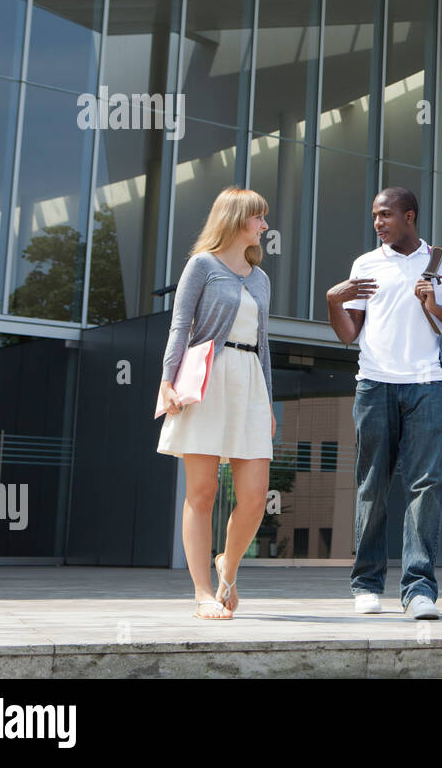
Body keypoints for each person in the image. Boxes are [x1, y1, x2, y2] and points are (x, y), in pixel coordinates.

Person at [325, 187, 442, 621]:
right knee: (372, 486)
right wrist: (335, 302)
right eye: (375, 215)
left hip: (427, 386)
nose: (378, 223)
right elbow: (348, 333)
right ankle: (367, 584)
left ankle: (418, 590)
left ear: (410, 216)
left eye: (386, 215)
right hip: (374, 385)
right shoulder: (365, 264)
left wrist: (435, 305)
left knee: (426, 487)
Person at [157, 187, 275, 620]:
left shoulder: (260, 277)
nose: (264, 226)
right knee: (202, 493)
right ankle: (203, 591)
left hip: (249, 383)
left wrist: (269, 401)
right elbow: (179, 326)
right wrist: (167, 381)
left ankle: (228, 562)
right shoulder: (202, 265)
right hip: (207, 376)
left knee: (256, 496)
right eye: (258, 218)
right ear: (236, 219)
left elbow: (264, 344)